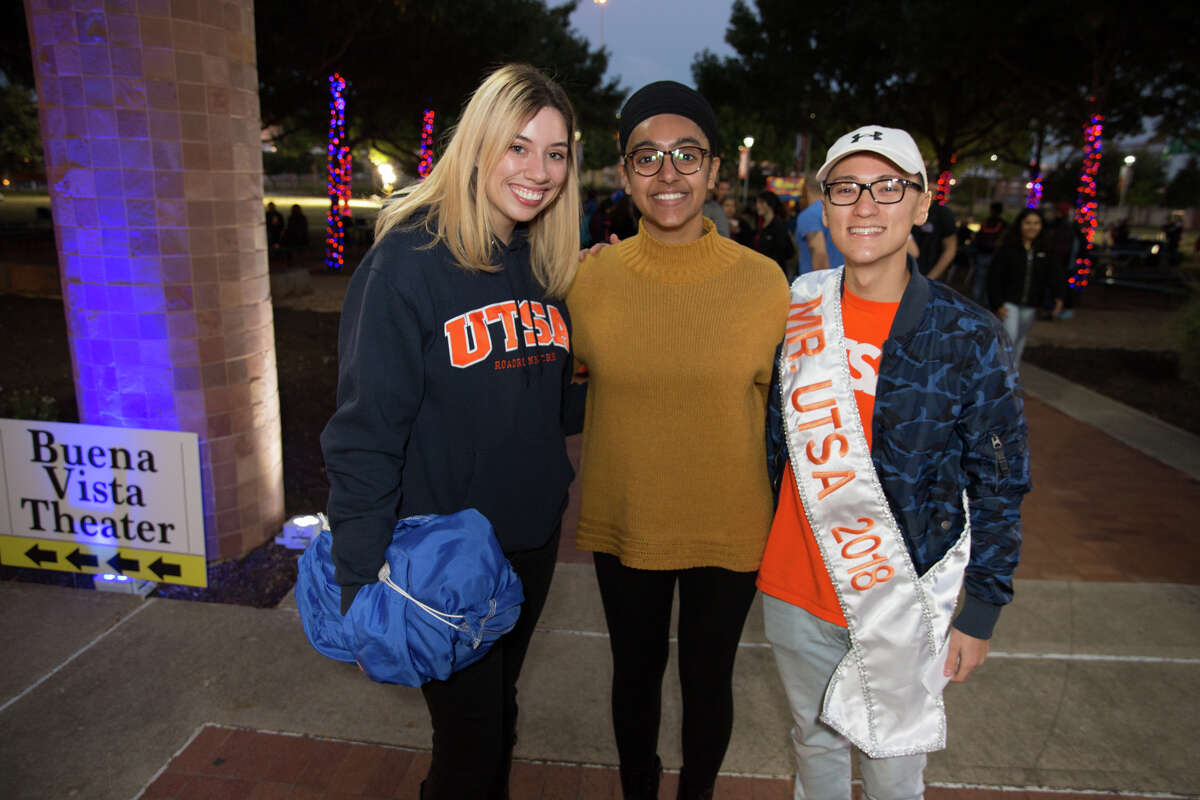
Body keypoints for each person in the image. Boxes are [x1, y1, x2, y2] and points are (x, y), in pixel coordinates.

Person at [319, 64, 582, 800]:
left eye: (555, 153)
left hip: (529, 543)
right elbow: (364, 435)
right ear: (476, 146)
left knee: (497, 718)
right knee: (471, 747)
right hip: (442, 559)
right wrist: (358, 580)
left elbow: (548, 404)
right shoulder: (406, 265)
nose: (538, 172)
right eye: (517, 147)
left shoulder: (543, 263)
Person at [758, 125, 1030, 799]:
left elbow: (999, 482)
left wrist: (981, 611)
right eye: (846, 188)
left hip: (902, 601)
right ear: (824, 205)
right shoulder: (793, 309)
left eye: (888, 187)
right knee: (812, 746)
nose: (865, 206)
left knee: (893, 767)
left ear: (922, 204)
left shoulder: (967, 334)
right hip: (794, 589)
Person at [567, 81, 790, 800]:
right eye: (648, 157)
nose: (668, 173)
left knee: (708, 679)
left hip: (729, 521)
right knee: (634, 675)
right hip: (628, 515)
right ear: (625, 172)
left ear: (715, 170)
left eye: (687, 155)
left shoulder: (765, 285)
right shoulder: (586, 280)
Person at [988, 207, 1064, 364]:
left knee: (1020, 339)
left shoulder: (1045, 250)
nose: (1032, 227)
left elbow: (1054, 275)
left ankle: (1012, 373)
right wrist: (997, 302)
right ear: (1020, 225)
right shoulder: (1008, 249)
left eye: (1036, 223)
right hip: (1009, 302)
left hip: (1030, 304)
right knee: (1009, 336)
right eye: (1028, 223)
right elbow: (994, 277)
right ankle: (1001, 371)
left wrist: (1058, 296)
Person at [794, 176, 842, 273]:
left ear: (805, 188)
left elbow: (819, 253)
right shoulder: (838, 210)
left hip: (819, 279)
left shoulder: (809, 215)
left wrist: (821, 281)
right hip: (842, 277)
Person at [911, 194, 957, 280]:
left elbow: (950, 248)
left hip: (927, 272)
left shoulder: (943, 213)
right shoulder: (903, 209)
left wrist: (930, 278)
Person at [969, 202, 1007, 303]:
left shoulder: (986, 222)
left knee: (979, 280)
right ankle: (987, 304)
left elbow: (977, 237)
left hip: (982, 253)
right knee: (991, 281)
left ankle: (975, 302)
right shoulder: (1003, 224)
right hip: (994, 255)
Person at [754, 189, 798, 275]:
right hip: (760, 272)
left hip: (773, 274)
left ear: (770, 204)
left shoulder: (778, 227)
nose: (757, 206)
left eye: (761, 203)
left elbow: (787, 252)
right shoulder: (760, 225)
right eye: (757, 203)